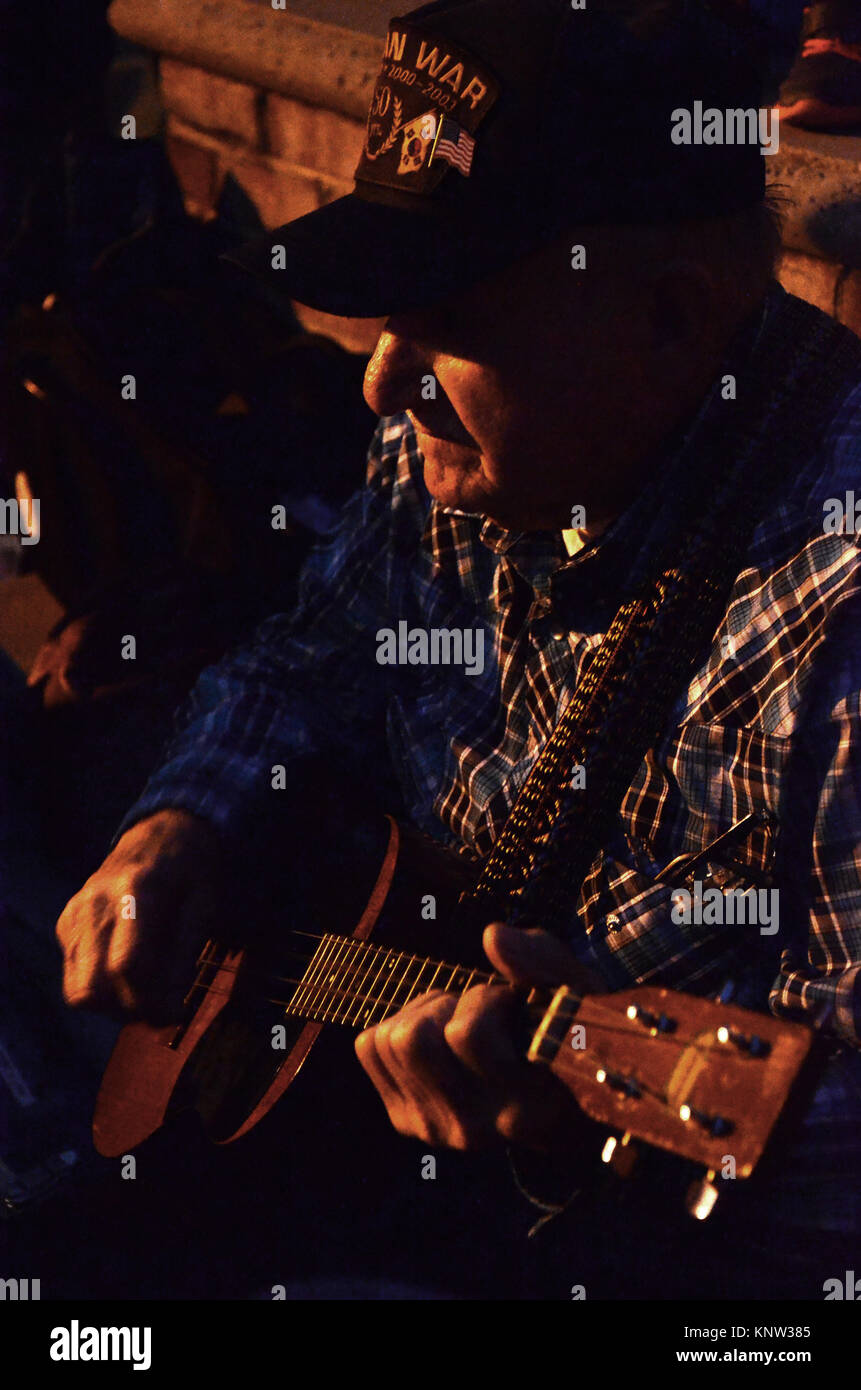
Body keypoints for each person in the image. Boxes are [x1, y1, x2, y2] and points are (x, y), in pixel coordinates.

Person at [56, 0, 861, 1298]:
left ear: (667, 315)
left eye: (443, 328)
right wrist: (185, 818)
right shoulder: (475, 449)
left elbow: (831, 1208)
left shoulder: (835, 630)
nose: (379, 386)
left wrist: (570, 1138)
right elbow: (318, 646)